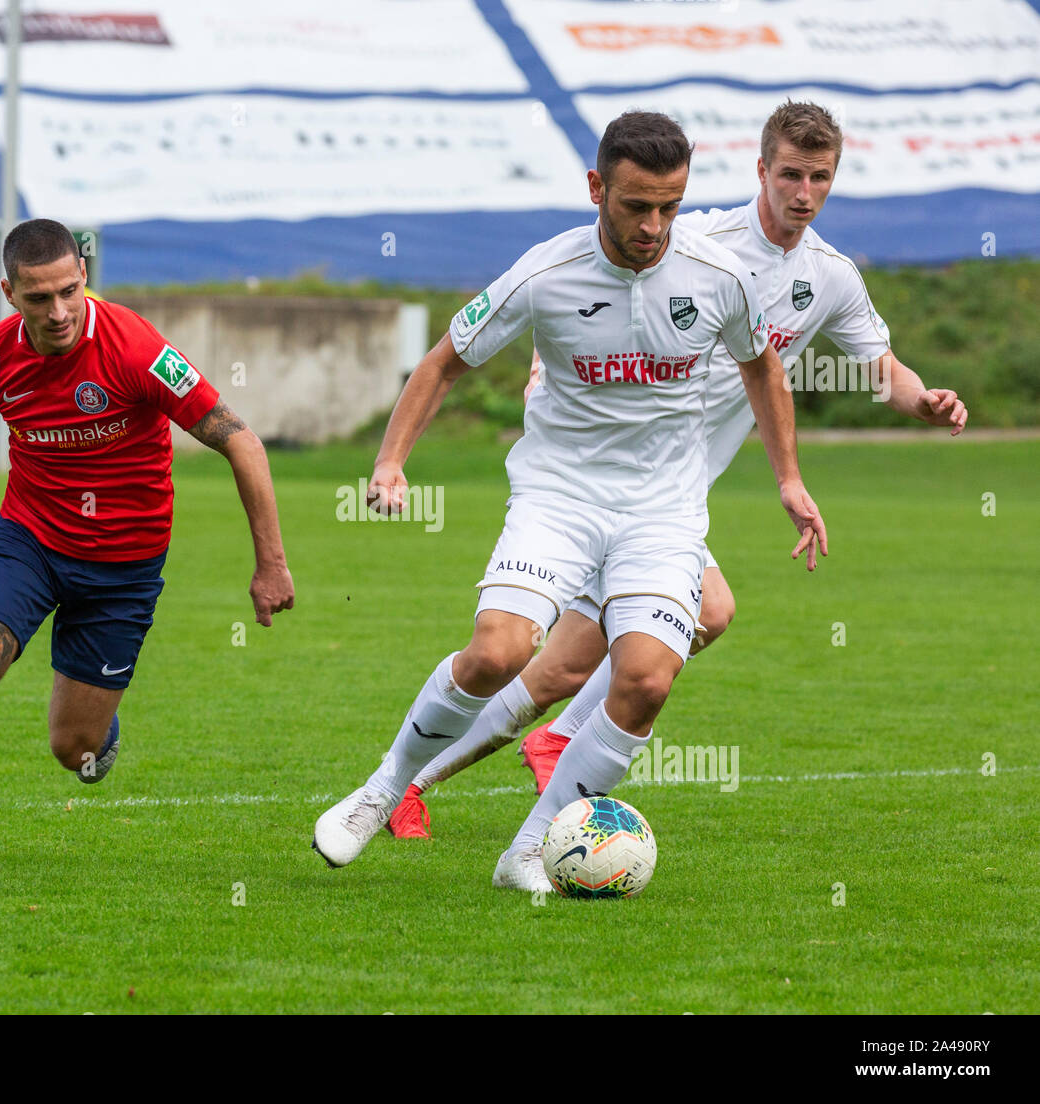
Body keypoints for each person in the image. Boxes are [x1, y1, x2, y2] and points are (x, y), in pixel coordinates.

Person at [386, 100, 968, 840]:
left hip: (670, 495)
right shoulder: (690, 238)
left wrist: (924, 401)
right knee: (574, 658)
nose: (804, 192)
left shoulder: (830, 276)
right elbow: (600, 288)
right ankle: (423, 778)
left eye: (820, 178)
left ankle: (532, 746)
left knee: (700, 616)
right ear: (762, 170)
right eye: (790, 173)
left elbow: (878, 365)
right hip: (609, 477)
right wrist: (548, 362)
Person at [313, 110, 825, 891]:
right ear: (597, 188)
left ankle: (528, 849)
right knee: (498, 654)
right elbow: (445, 361)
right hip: (559, 496)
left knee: (649, 676)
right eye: (635, 205)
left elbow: (762, 368)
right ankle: (383, 789)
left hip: (662, 509)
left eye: (671, 206)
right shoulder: (543, 275)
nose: (654, 225)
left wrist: (788, 477)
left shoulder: (718, 278)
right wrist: (389, 463)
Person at [0, 219, 294, 873]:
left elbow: (238, 439)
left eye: (69, 291)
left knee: (73, 748)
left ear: (85, 278)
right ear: (9, 292)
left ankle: (97, 727)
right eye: (39, 297)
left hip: (124, 566)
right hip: (31, 543)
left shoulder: (136, 350)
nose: (59, 311)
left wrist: (269, 563)